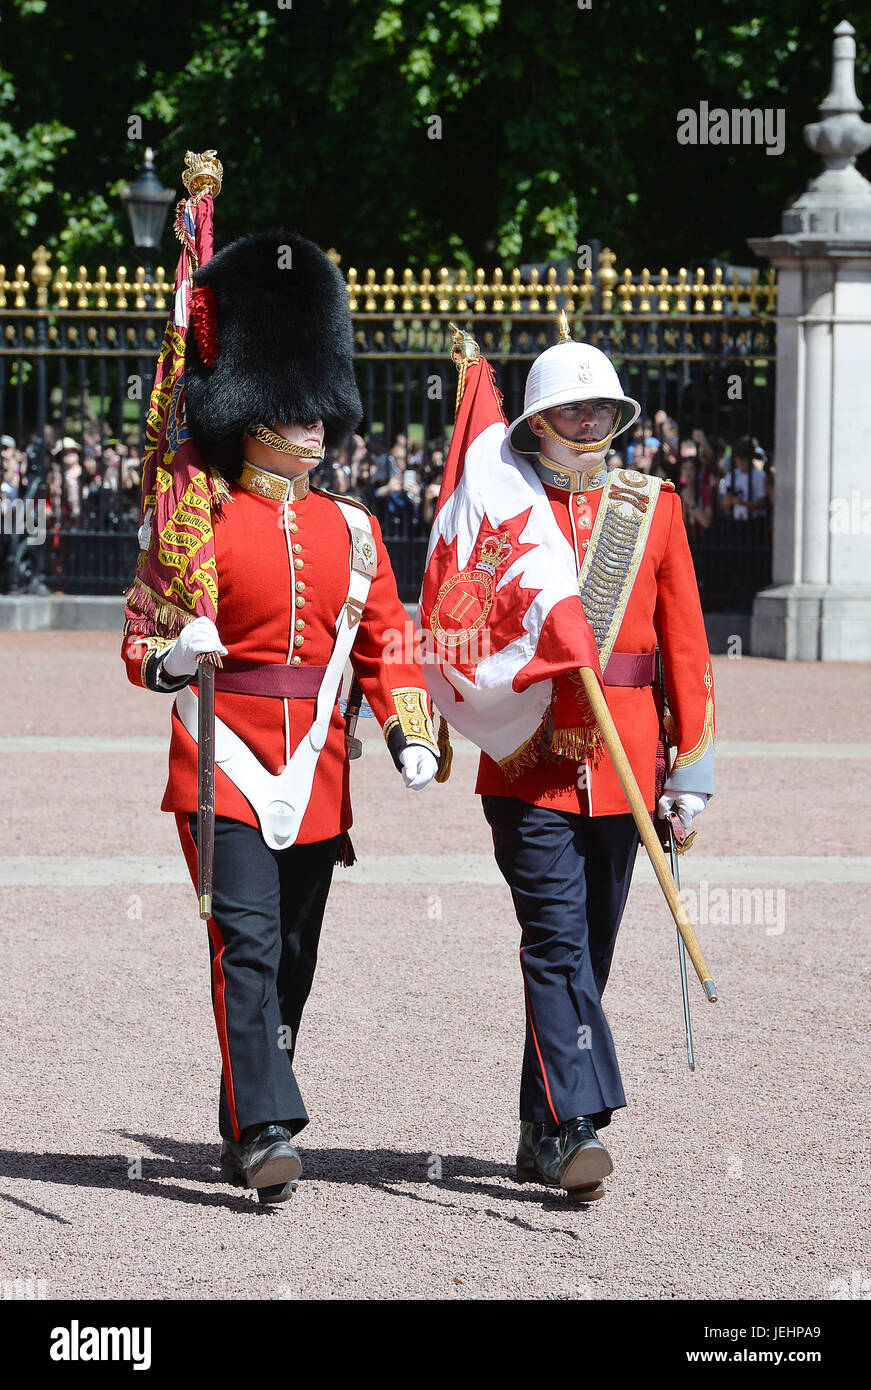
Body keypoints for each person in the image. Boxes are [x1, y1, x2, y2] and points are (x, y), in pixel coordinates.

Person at [121, 229, 440, 1203]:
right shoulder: (197, 517)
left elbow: (388, 642)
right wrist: (177, 656)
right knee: (246, 942)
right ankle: (267, 1128)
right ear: (250, 410)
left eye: (318, 411)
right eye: (294, 410)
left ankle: (240, 1114)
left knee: (291, 960)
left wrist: (410, 733)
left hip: (316, 770)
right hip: (220, 757)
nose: (315, 428)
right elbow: (140, 641)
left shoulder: (352, 527)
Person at [474, 337, 714, 1200]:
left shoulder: (650, 507)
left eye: (599, 408)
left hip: (626, 761)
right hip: (530, 758)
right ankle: (578, 1122)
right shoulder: (502, 507)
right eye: (571, 409)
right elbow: (470, 626)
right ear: (537, 422)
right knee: (556, 942)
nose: (588, 421)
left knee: (590, 952)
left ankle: (540, 1129)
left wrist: (691, 769)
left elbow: (685, 645)